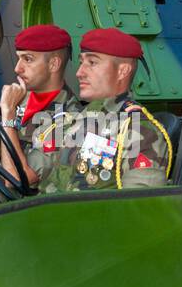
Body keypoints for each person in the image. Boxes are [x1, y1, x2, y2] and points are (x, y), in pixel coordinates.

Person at [40, 28, 172, 192]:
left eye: (92, 63)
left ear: (122, 71)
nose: (80, 73)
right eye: (81, 62)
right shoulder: (75, 119)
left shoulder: (138, 130)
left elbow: (139, 208)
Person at [0, 24, 82, 194]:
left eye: (28, 59)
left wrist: (8, 115)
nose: (17, 68)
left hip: (17, 210)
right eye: (18, 58)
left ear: (54, 64)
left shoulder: (71, 118)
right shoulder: (22, 101)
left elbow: (17, 178)